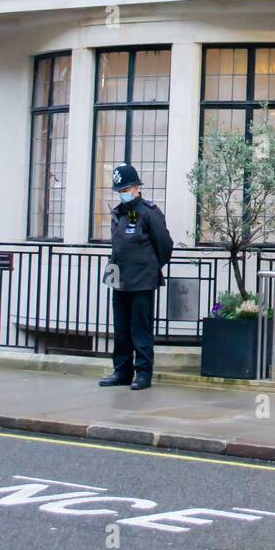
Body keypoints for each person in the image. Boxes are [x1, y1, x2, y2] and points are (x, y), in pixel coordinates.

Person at [98, 163, 174, 392]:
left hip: (142, 280)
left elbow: (164, 246)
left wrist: (149, 266)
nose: (122, 193)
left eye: (126, 188)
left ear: (135, 187)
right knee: (121, 328)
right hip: (119, 278)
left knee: (140, 328)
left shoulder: (149, 212)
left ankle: (143, 373)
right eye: (119, 189)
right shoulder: (118, 213)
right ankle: (121, 371)